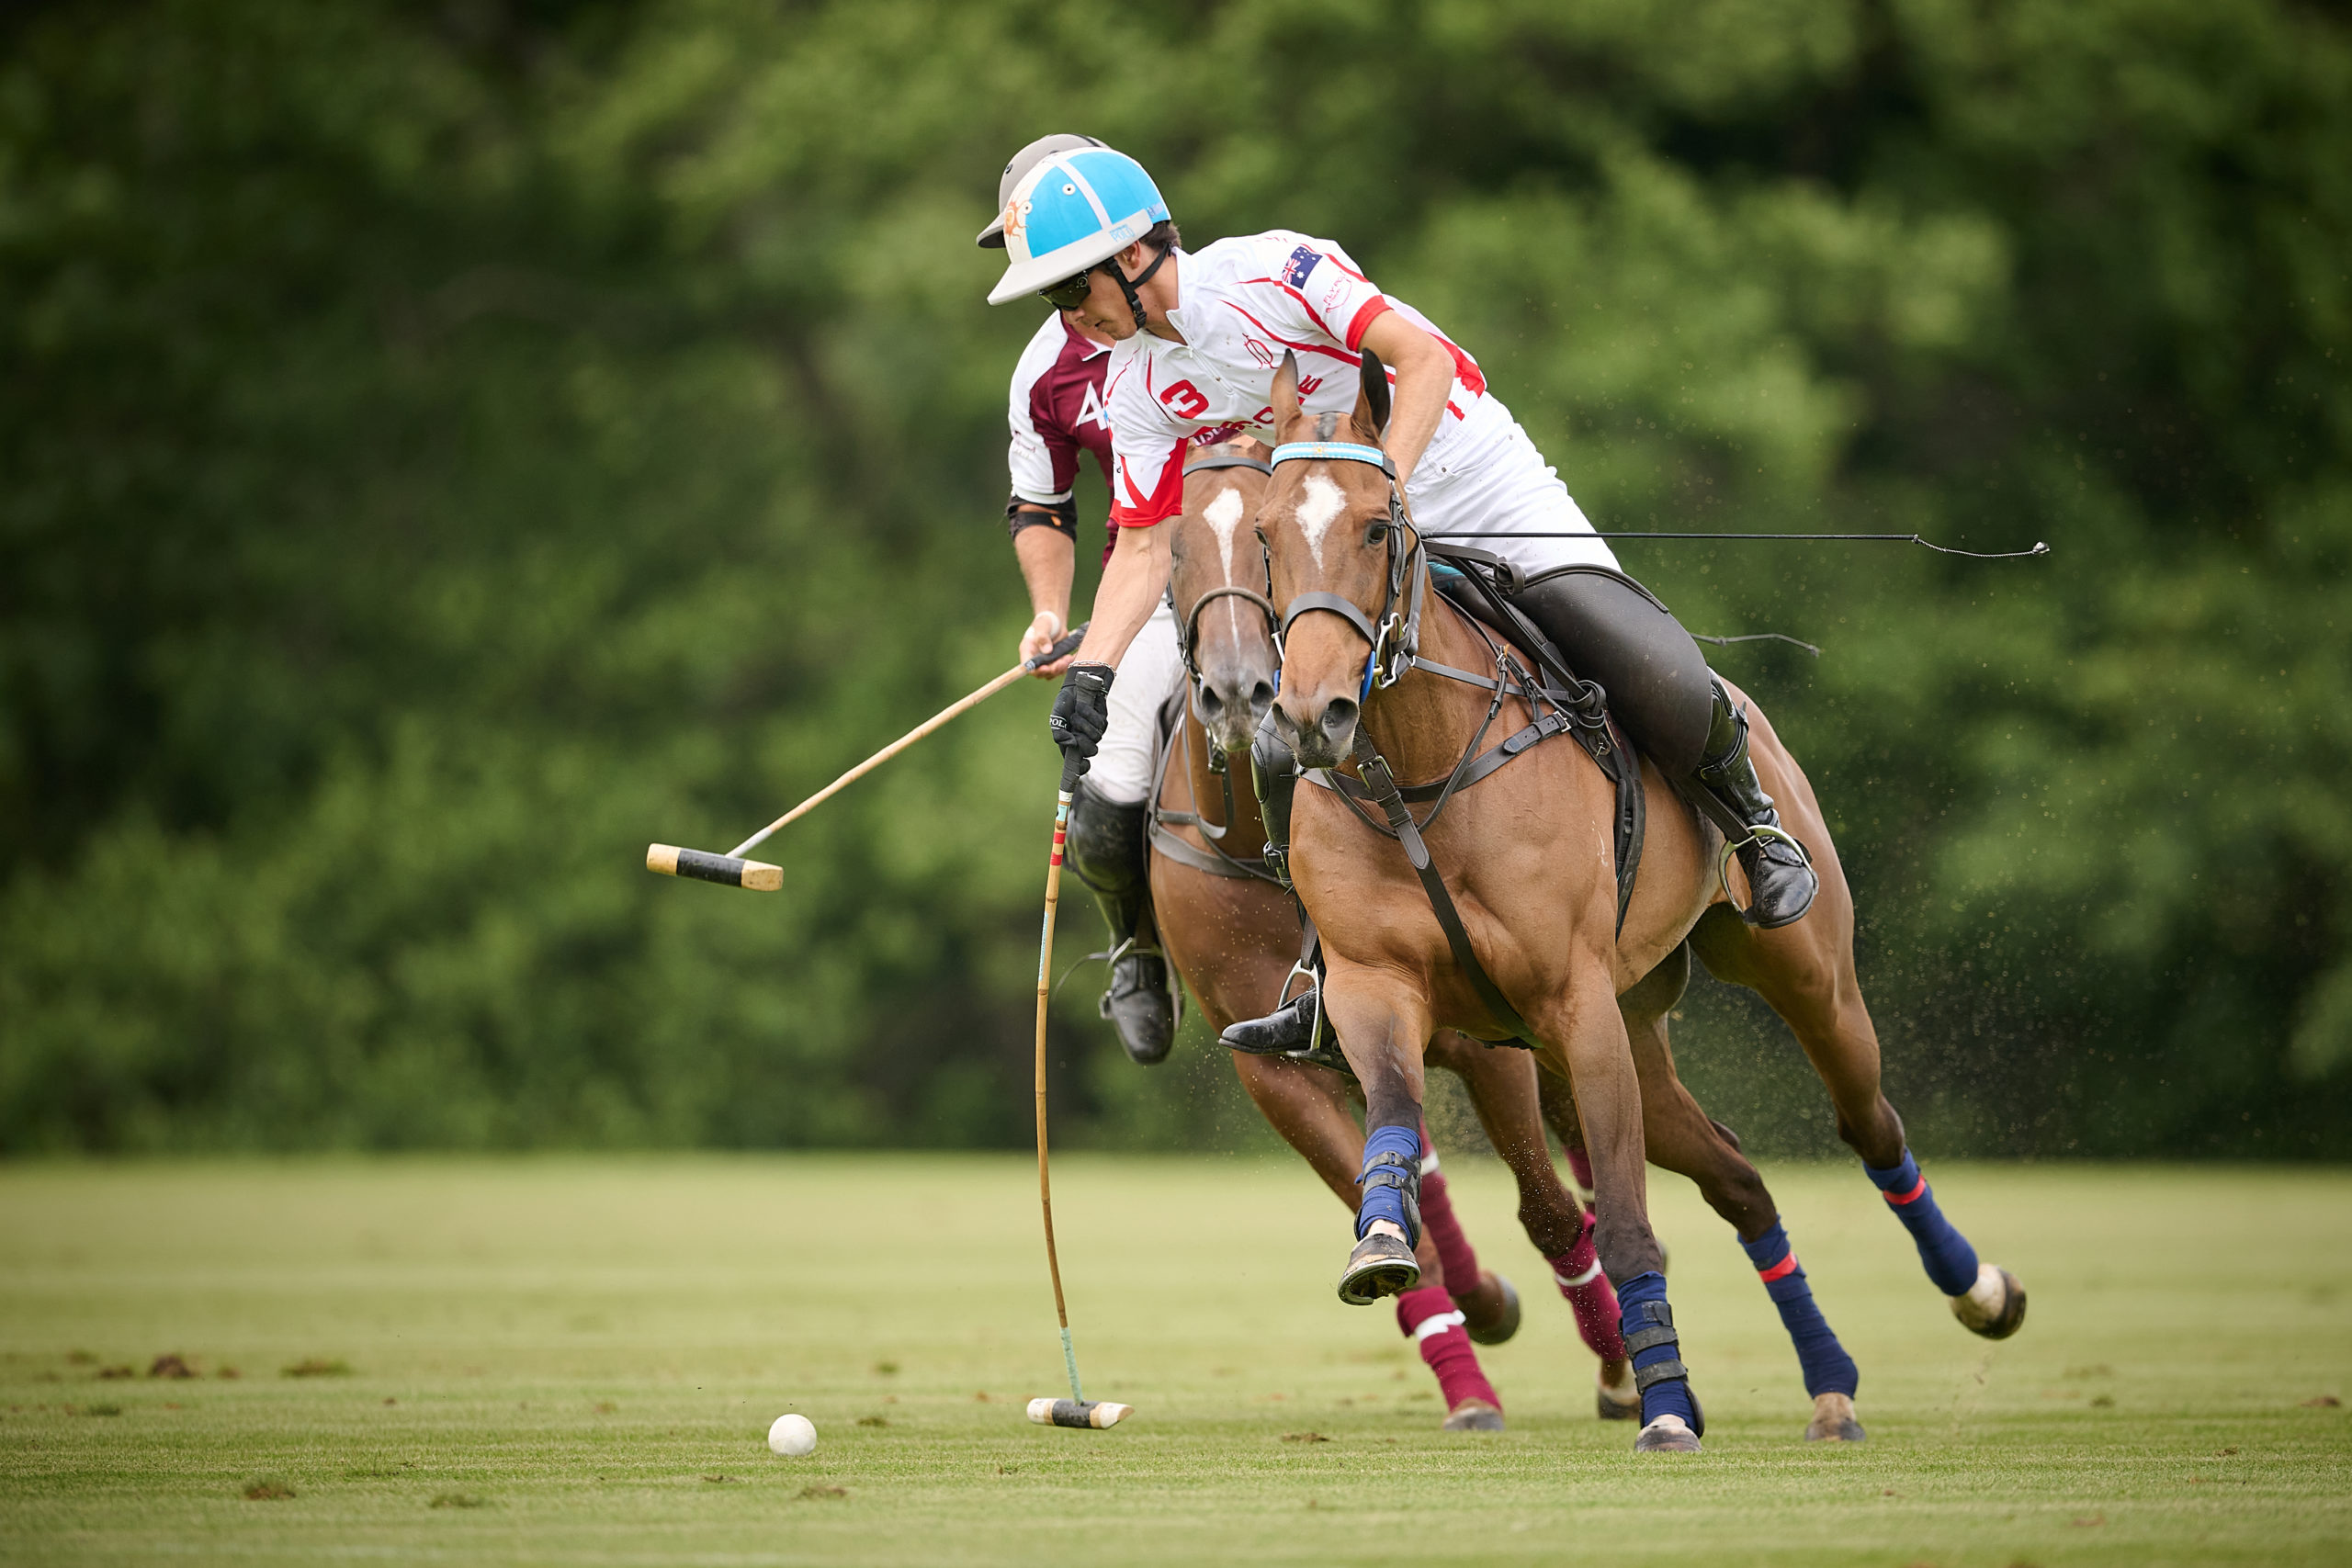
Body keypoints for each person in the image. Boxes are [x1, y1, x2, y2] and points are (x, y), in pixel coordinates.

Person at [980, 142, 1819, 1057]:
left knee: (1630, 647)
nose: (1068, 317)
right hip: (1340, 536)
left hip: (1465, 476)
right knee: (1291, 724)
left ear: (1133, 257)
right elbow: (1144, 539)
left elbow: (1418, 360)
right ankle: (1324, 968)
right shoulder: (1137, 383)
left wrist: (1385, 485)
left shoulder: (1273, 270)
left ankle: (1753, 826)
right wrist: (1093, 677)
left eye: (1071, 291)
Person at [978, 134, 1184, 1066]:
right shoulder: (1042, 374)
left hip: (1287, 576)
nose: (1054, 290)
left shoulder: (1200, 308)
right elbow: (1041, 506)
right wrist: (1052, 613)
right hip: (1144, 594)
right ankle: (1137, 947)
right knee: (1109, 782)